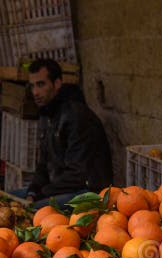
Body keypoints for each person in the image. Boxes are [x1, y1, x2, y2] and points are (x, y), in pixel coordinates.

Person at [25, 58, 112, 208]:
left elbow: (78, 175)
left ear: (57, 83)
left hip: (86, 193)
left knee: (29, 211)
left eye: (41, 84)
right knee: (8, 201)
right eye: (32, 86)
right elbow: (43, 165)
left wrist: (41, 195)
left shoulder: (76, 117)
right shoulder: (48, 114)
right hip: (59, 188)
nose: (35, 92)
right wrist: (32, 191)